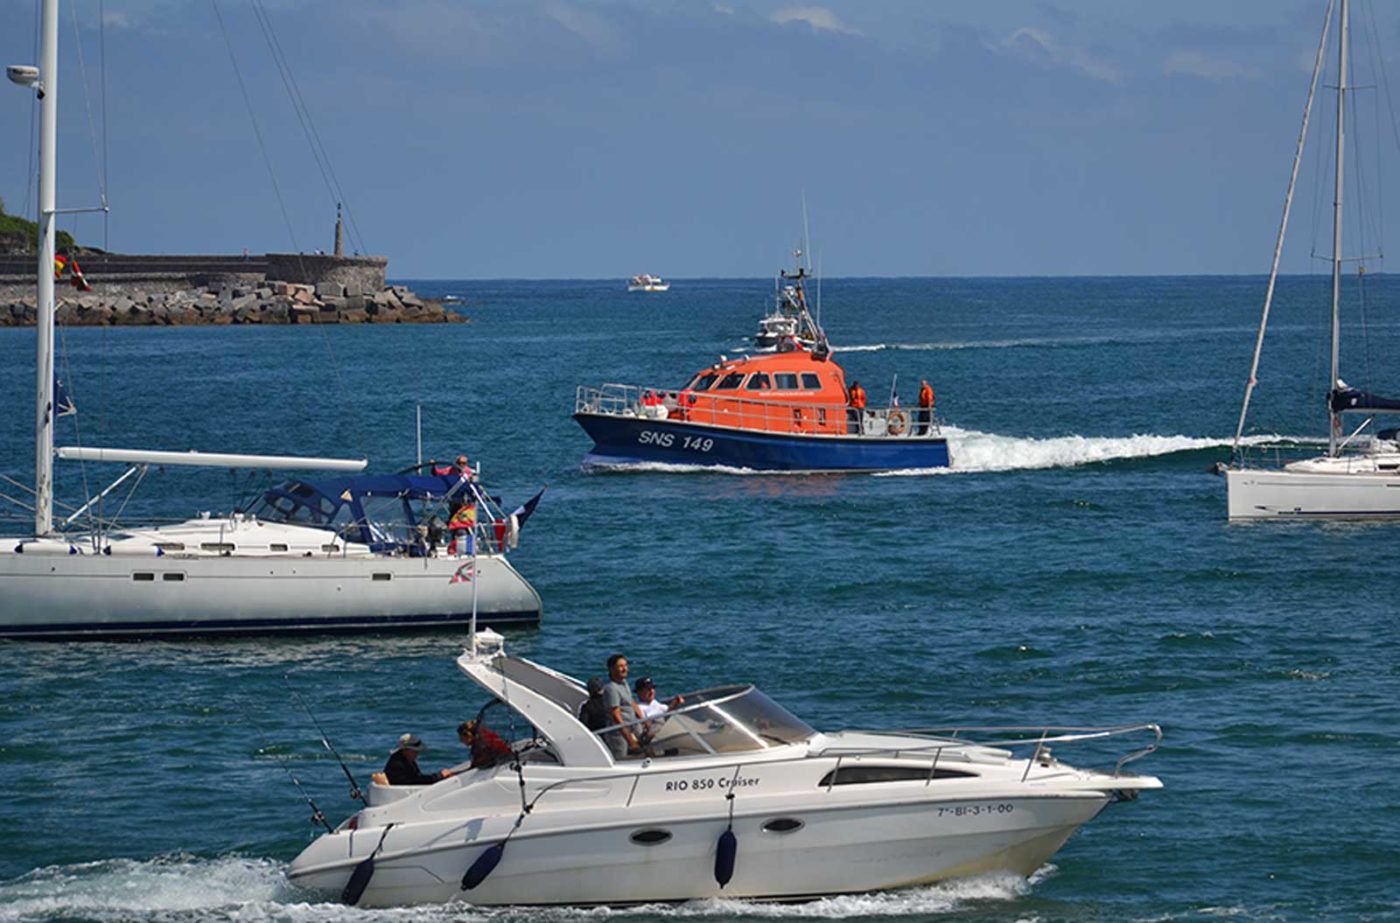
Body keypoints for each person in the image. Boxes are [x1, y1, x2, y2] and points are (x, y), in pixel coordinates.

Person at [601, 653, 645, 759]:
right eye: (620, 666)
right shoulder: (611, 688)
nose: (624, 669)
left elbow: (631, 702)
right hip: (619, 734)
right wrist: (629, 739)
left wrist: (644, 720)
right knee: (621, 758)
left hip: (633, 726)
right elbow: (615, 715)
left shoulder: (624, 683)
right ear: (611, 669)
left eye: (625, 665)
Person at [383, 733, 454, 786]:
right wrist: (439, 776)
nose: (417, 753)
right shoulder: (398, 765)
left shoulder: (406, 759)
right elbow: (415, 781)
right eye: (414, 751)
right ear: (405, 750)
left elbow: (418, 777)